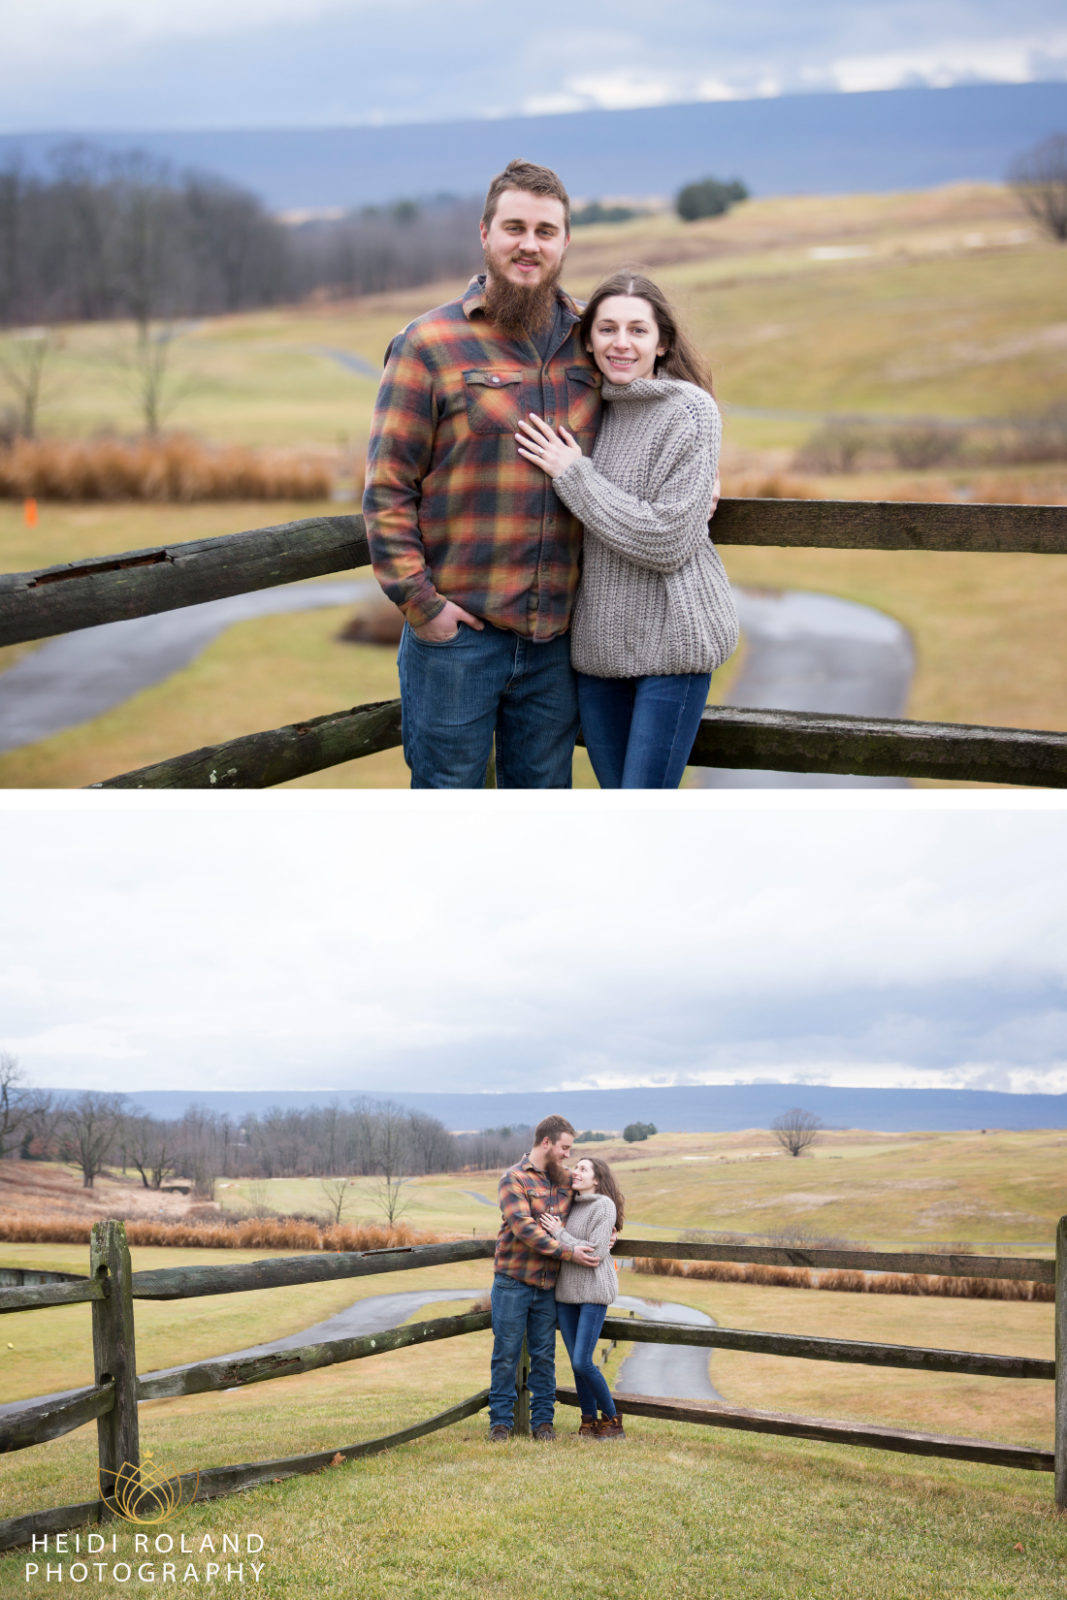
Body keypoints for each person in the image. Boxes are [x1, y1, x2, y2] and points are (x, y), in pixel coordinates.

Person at [362, 158, 602, 788]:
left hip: (557, 643)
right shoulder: (427, 344)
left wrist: (704, 472)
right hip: (458, 641)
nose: (529, 245)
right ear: (485, 233)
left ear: (566, 241)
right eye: (514, 228)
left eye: (545, 231)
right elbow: (387, 488)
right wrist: (422, 606)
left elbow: (670, 395)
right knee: (449, 811)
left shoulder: (595, 341)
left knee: (540, 812)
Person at [516, 270, 739, 788]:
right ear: (588, 341)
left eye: (638, 330)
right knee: (618, 810)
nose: (622, 343)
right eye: (607, 329)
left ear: (662, 343)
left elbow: (668, 540)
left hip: (674, 644)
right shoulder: (586, 411)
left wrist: (574, 475)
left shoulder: (690, 411)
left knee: (643, 811)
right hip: (598, 650)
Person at [488, 1114, 600, 1442]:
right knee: (506, 1354)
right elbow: (524, 1229)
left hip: (549, 1286)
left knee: (544, 1356)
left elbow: (597, 1201)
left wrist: (613, 1227)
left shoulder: (565, 1181)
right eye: (564, 1148)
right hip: (513, 1281)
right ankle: (501, 1424)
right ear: (547, 1143)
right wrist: (569, 1253)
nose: (568, 1154)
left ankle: (543, 1423)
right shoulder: (514, 1178)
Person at [541, 1155, 626, 1440]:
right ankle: (588, 1423)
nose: (576, 1172)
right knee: (576, 1364)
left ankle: (613, 1421)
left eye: (583, 1169)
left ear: (597, 1179)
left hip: (594, 1292)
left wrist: (559, 1233)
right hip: (566, 1294)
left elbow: (595, 1252)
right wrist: (562, 1235)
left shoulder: (604, 1205)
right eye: (576, 1167)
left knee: (582, 1362)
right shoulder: (569, 1204)